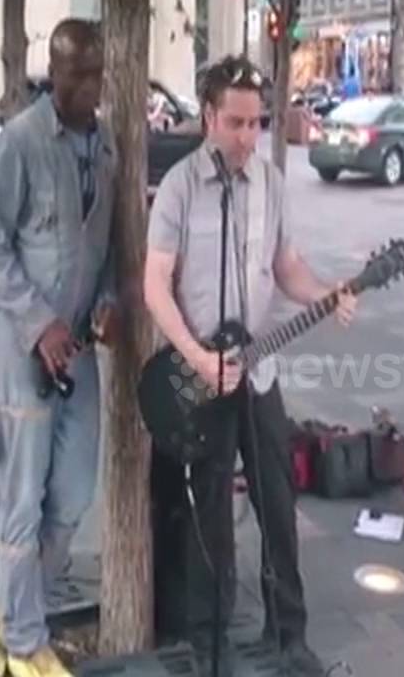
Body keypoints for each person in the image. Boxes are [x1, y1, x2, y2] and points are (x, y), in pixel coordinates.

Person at [144, 54, 359, 676]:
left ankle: (289, 634)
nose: (246, 137)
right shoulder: (181, 187)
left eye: (256, 123)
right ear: (207, 116)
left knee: (277, 502)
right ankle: (212, 645)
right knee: (209, 515)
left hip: (257, 369)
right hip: (199, 373)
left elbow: (284, 265)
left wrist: (326, 293)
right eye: (234, 123)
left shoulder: (269, 182)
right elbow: (156, 285)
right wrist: (198, 360)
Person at [0, 18, 119, 677]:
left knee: (73, 496)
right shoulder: (21, 141)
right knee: (23, 499)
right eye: (77, 74)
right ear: (52, 72)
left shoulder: (108, 143)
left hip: (81, 357)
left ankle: (11, 604)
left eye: (97, 73)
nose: (89, 87)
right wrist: (40, 325)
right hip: (24, 353)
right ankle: (23, 641)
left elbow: (108, 245)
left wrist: (110, 302)